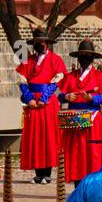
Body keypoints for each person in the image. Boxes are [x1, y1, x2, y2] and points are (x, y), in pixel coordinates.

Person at [58, 39, 102, 185]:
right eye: (82, 56)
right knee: (75, 153)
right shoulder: (70, 77)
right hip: (74, 121)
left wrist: (92, 98)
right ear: (78, 58)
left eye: (88, 56)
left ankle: (94, 183)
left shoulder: (100, 76)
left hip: (93, 120)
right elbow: (60, 95)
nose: (84, 59)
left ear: (92, 58)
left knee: (93, 152)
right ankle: (77, 182)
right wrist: (66, 96)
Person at [16, 28, 66, 184]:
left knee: (49, 136)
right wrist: (29, 98)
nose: (40, 45)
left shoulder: (56, 59)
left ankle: (47, 172)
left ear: (47, 44)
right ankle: (38, 173)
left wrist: (44, 98)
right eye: (37, 42)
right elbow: (22, 82)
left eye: (42, 42)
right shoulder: (27, 60)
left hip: (48, 102)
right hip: (32, 103)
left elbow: (56, 81)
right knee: (35, 137)